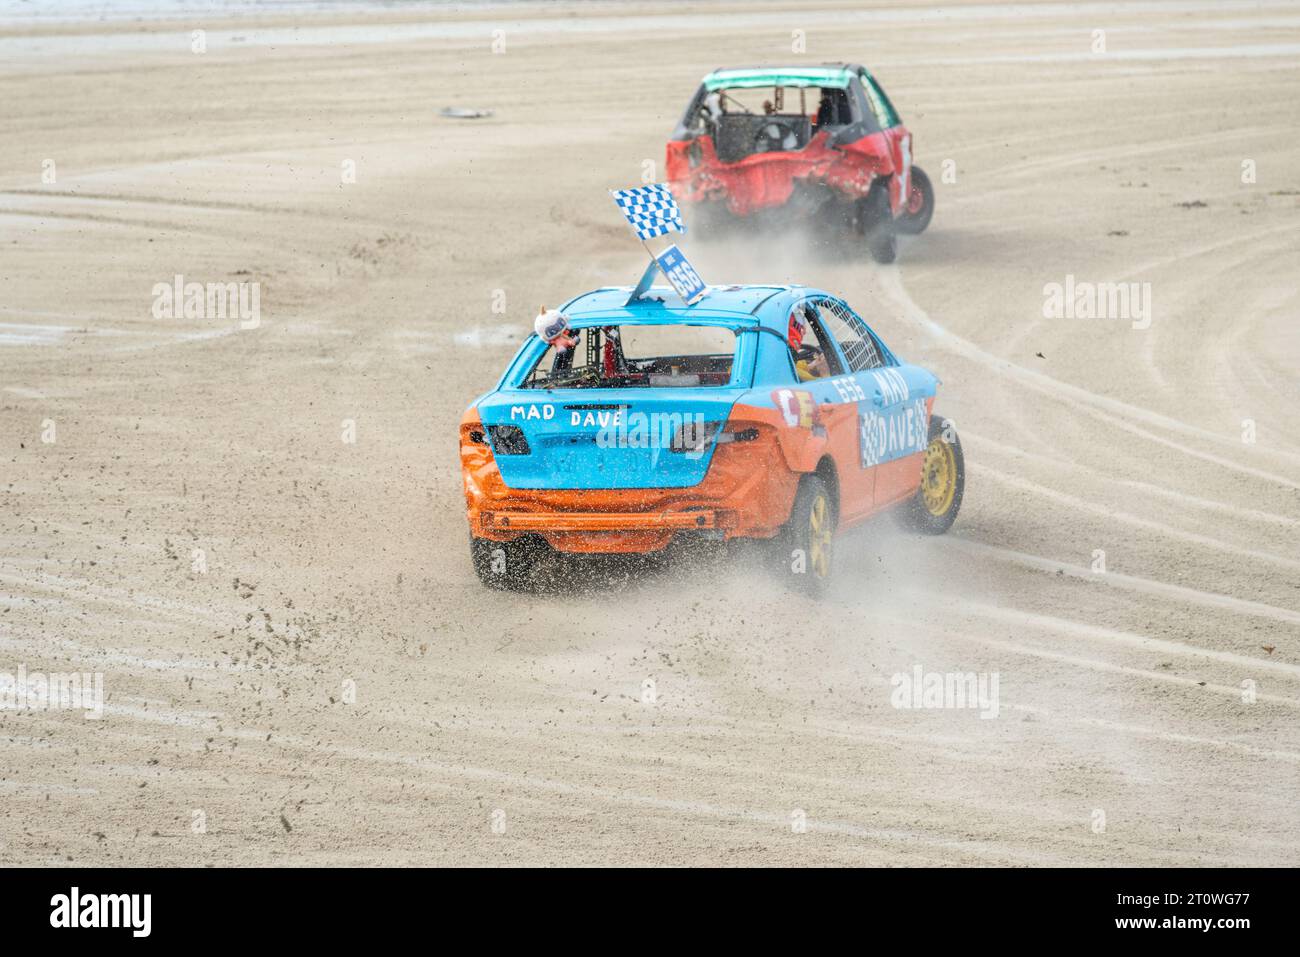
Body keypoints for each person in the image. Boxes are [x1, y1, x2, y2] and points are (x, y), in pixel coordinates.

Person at [788, 307, 829, 381]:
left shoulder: (788, 359)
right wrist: (824, 372)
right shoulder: (791, 371)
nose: (804, 332)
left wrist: (814, 364)